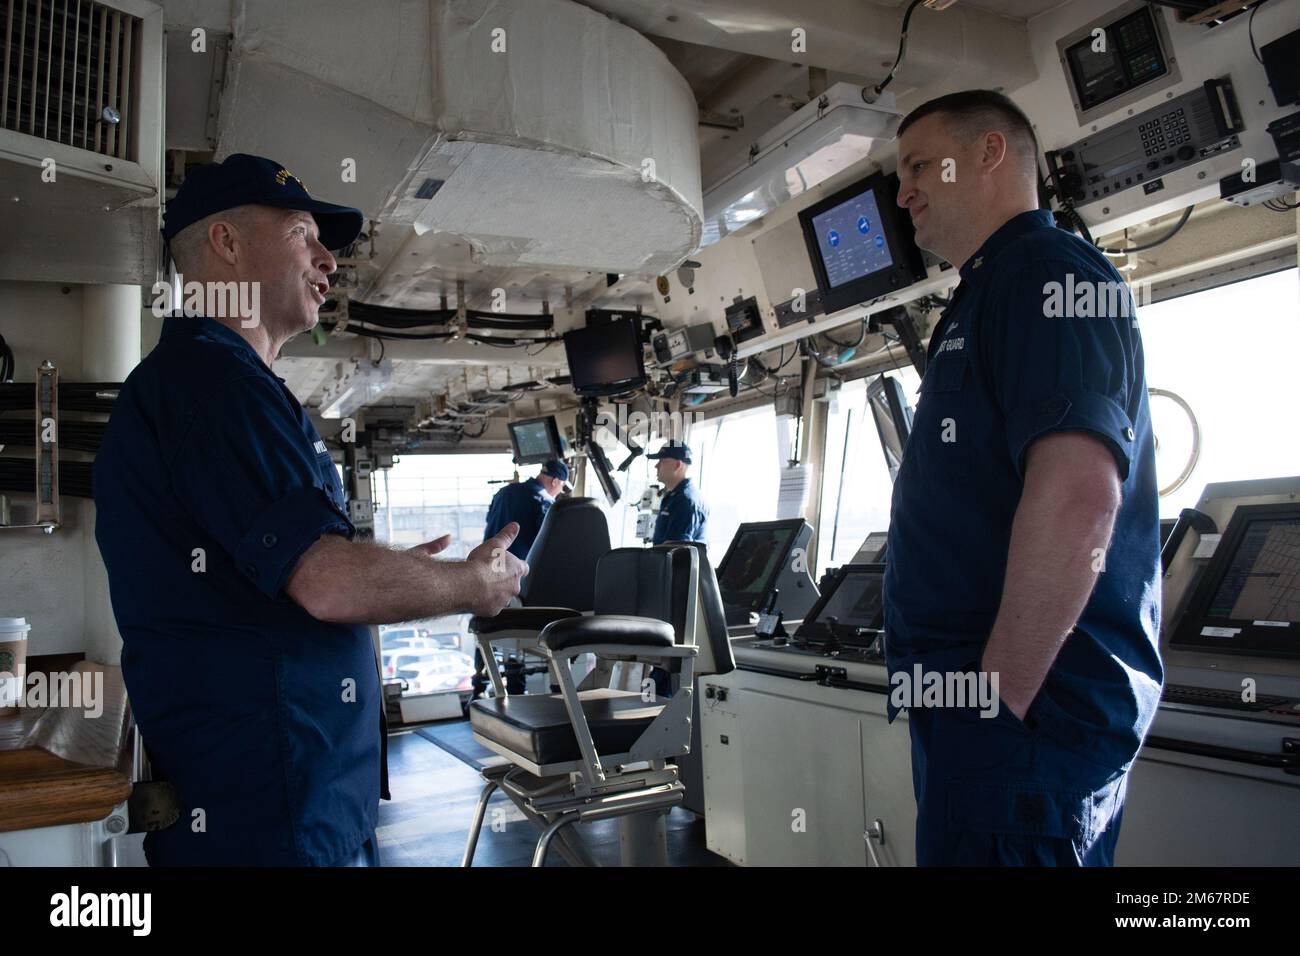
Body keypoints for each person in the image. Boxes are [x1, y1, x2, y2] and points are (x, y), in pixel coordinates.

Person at [93, 154, 527, 867]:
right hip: (273, 816)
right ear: (226, 244)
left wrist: (383, 570)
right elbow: (328, 585)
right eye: (302, 233)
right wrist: (471, 585)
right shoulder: (213, 386)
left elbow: (292, 569)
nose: (329, 259)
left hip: (287, 800)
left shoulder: (214, 386)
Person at [882, 91, 1162, 866]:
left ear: (990, 153)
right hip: (981, 714)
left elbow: (1078, 499)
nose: (902, 192)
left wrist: (995, 706)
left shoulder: (1050, 275)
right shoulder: (989, 291)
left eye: (916, 166)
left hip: (1024, 722)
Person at [472, 459, 569, 696]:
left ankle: (478, 688)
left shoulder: (505, 492)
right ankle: (517, 688)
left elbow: (490, 525)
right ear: (555, 481)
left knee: (486, 626)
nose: (558, 493)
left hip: (487, 570)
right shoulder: (542, 503)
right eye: (561, 488)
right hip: (515, 578)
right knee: (516, 635)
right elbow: (546, 546)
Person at [482, 459, 570, 560]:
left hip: (488, 559)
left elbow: (489, 519)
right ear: (555, 482)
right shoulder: (545, 503)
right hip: (514, 567)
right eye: (562, 486)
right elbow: (549, 541)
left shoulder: (504, 491)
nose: (561, 491)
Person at [647, 442, 709, 546]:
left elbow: (678, 551)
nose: (656, 466)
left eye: (662, 461)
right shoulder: (673, 497)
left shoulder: (686, 500)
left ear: (677, 465)